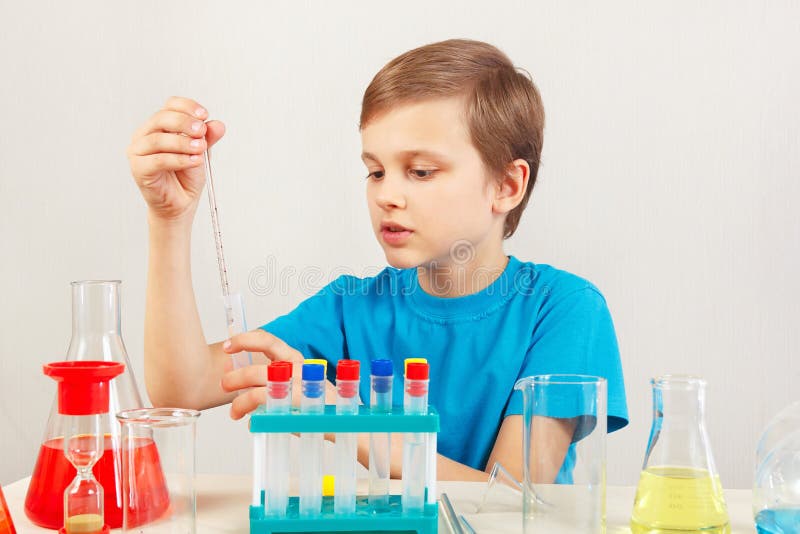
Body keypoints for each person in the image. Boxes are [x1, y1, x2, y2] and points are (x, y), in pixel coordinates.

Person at [126, 39, 628, 483]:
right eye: (375, 171)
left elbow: (515, 502)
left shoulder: (563, 310)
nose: (387, 195)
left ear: (506, 186)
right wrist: (169, 220)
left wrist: (344, 420)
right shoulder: (348, 310)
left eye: (421, 171)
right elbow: (184, 387)